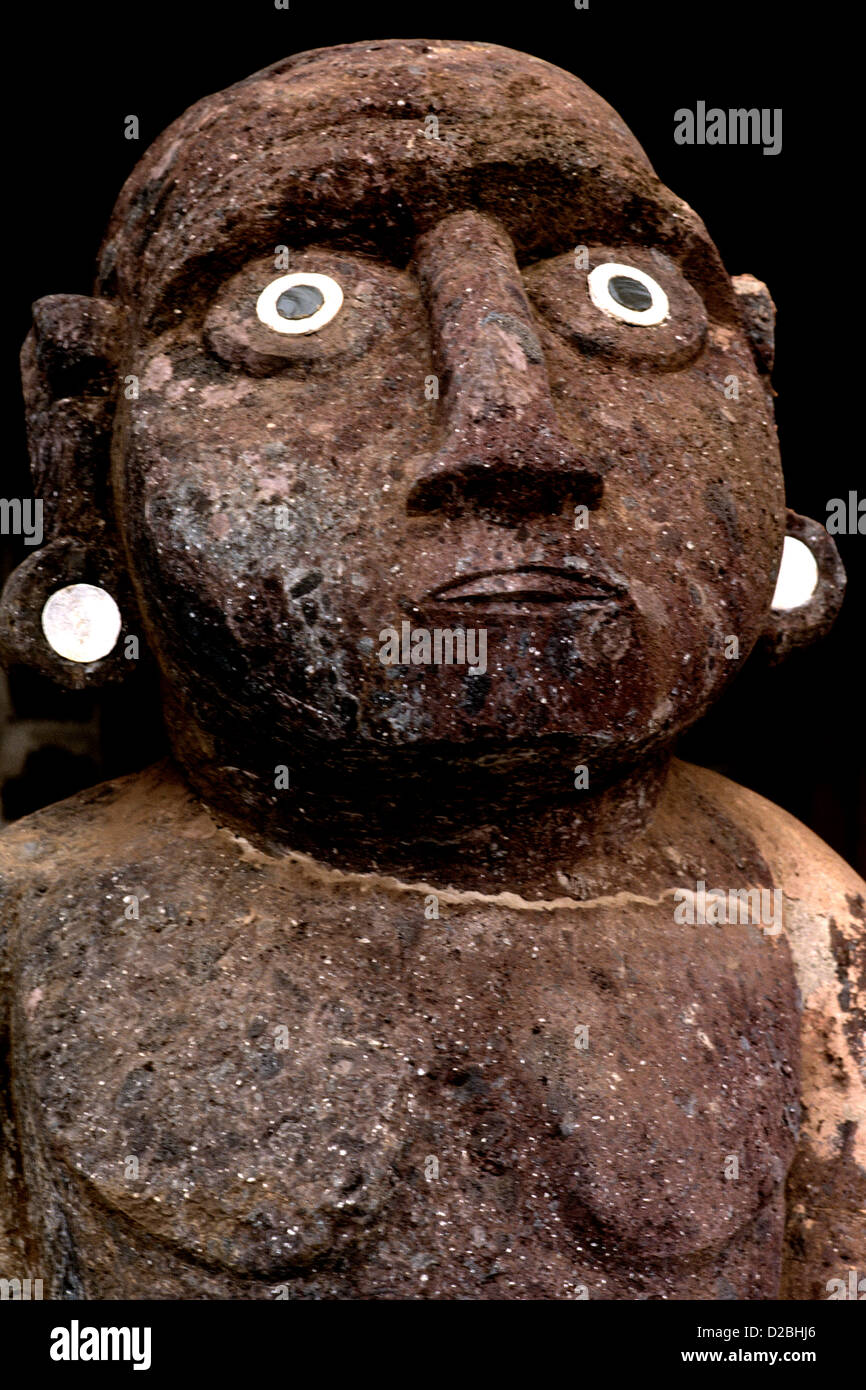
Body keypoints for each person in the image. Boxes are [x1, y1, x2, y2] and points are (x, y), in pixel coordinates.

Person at [0, 39, 862, 1299]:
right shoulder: (24, 931)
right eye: (297, 308)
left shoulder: (810, 926)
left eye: (624, 296)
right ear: (83, 454)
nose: (510, 428)